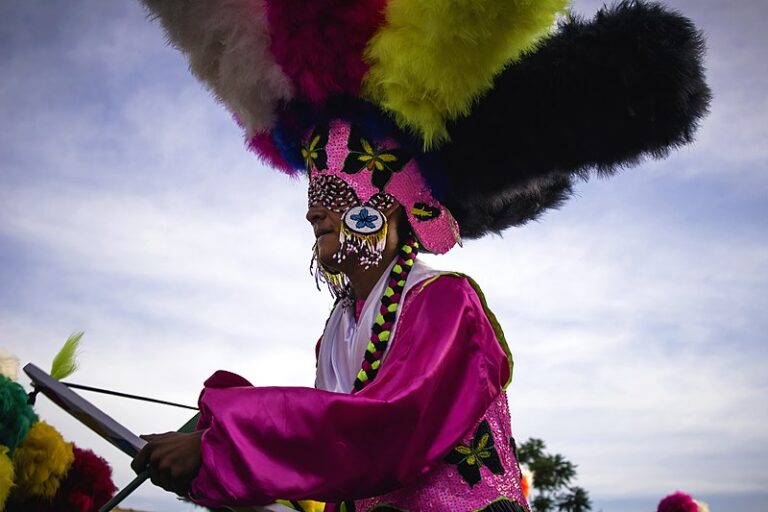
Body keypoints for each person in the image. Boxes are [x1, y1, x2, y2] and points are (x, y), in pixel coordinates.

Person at [132, 1, 710, 510]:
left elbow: (389, 426)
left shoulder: (446, 303)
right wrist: (216, 429)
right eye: (314, 201)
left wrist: (227, 442)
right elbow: (331, 453)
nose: (315, 215)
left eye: (341, 199)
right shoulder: (338, 331)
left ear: (407, 214)